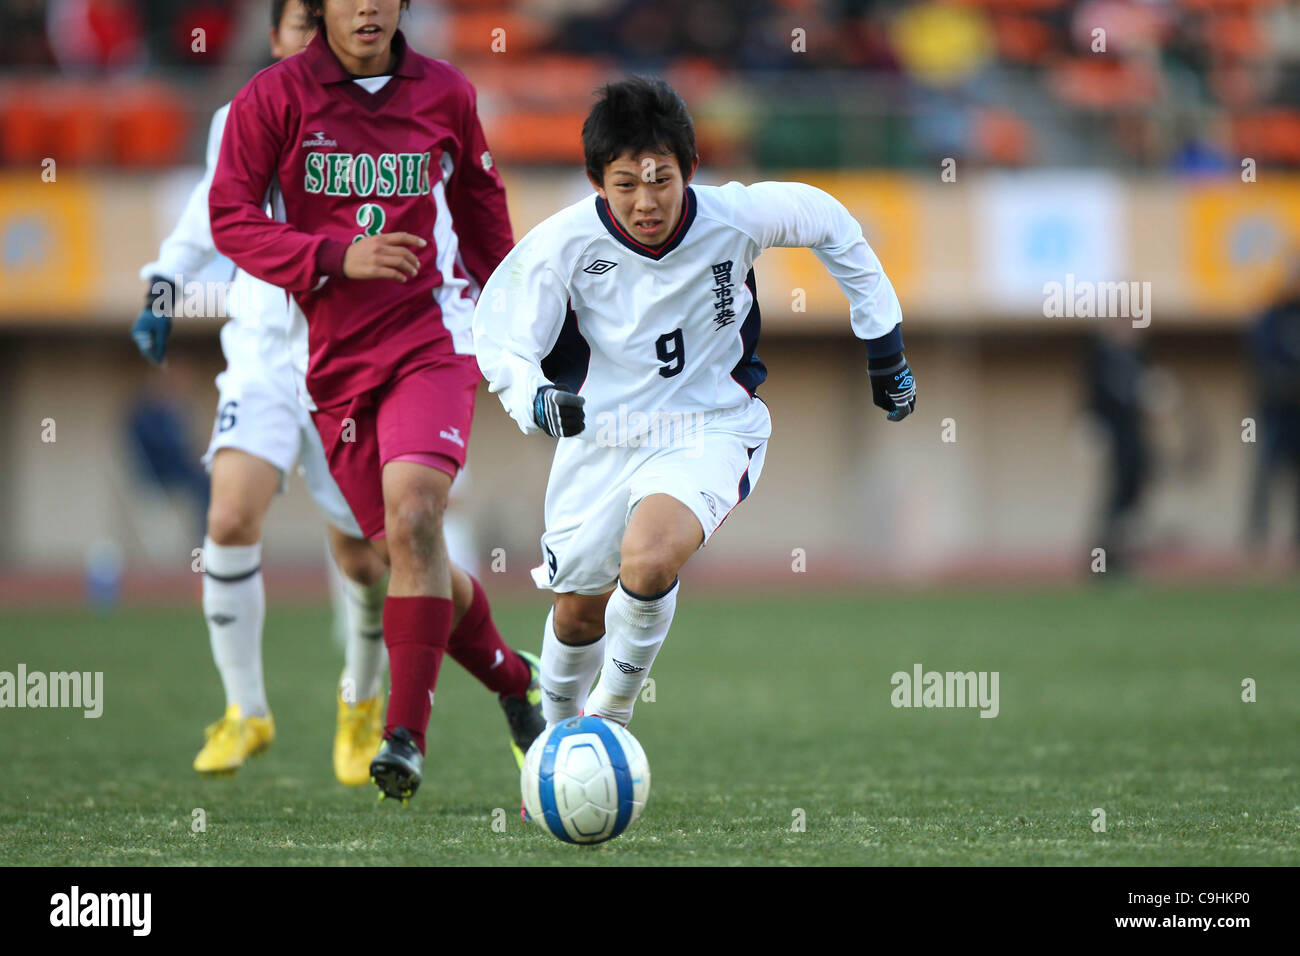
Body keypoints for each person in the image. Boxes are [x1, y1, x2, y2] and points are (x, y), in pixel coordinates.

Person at [471, 77, 915, 772]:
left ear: (690, 170)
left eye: (661, 180)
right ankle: (553, 746)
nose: (646, 202)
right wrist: (534, 399)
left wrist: (883, 347)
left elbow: (833, 223)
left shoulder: (735, 218)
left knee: (648, 560)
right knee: (578, 615)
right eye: (625, 184)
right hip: (603, 442)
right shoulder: (560, 244)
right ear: (596, 181)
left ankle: (607, 729)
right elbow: (499, 338)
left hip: (709, 427)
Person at [208, 0, 541, 804]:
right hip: (331, 365)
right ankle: (512, 678)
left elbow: (486, 220)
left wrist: (525, 334)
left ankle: (403, 738)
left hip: (434, 336)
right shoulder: (273, 98)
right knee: (403, 551)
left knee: (418, 512)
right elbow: (230, 218)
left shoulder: (448, 94)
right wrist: (333, 256)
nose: (367, 7)